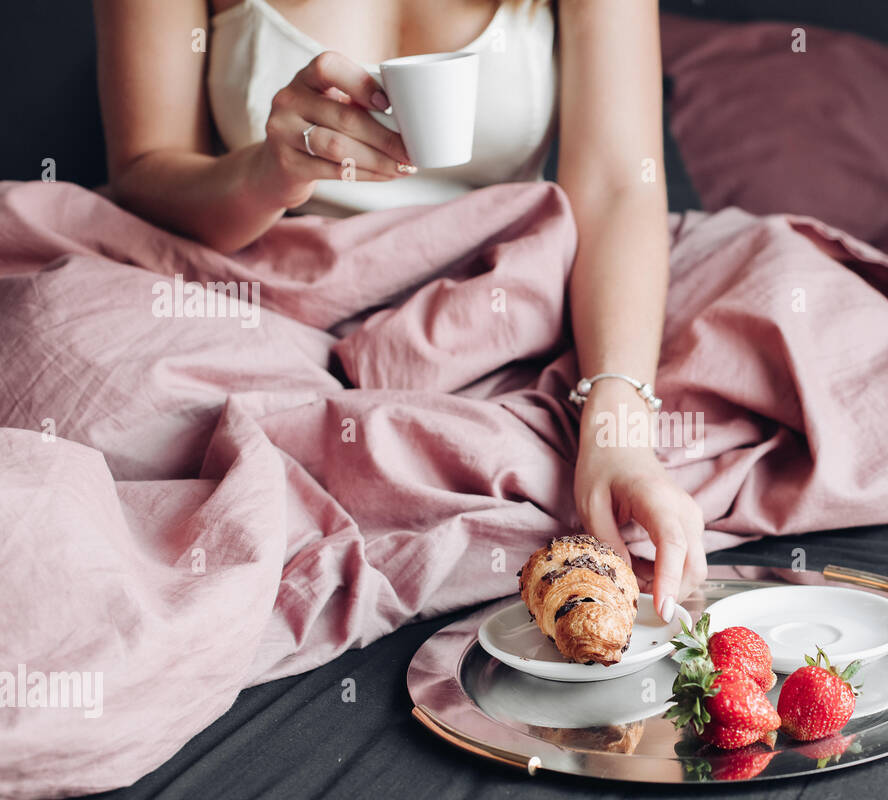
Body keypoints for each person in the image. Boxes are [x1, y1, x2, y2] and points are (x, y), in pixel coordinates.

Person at [92, 0, 708, 621]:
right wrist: (266, 172)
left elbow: (619, 183)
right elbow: (143, 172)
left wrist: (619, 422)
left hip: (495, 312)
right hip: (257, 295)